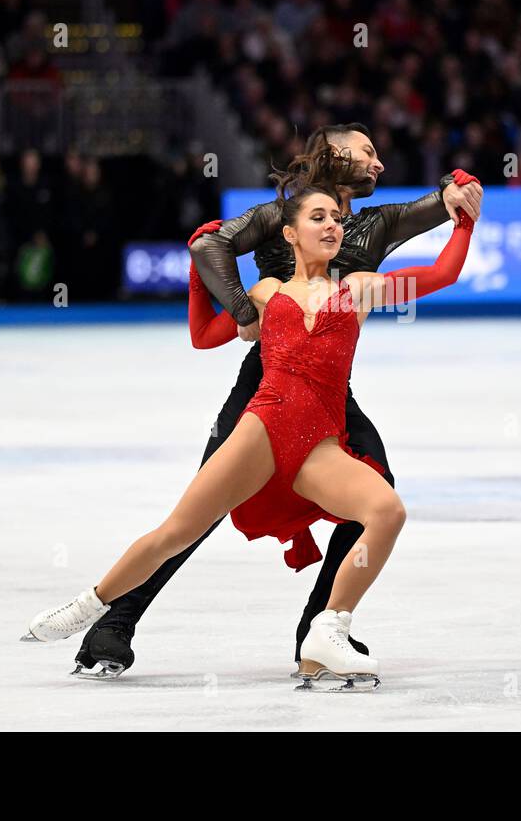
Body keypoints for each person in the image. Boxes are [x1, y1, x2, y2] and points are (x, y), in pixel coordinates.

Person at [24, 159, 478, 688]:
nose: (333, 225)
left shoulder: (360, 288)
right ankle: (89, 606)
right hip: (261, 426)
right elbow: (204, 335)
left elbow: (442, 274)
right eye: (319, 217)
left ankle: (327, 629)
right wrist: (200, 277)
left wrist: (463, 217)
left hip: (321, 440)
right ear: (290, 233)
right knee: (176, 531)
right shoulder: (266, 293)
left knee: (386, 510)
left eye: (336, 217)